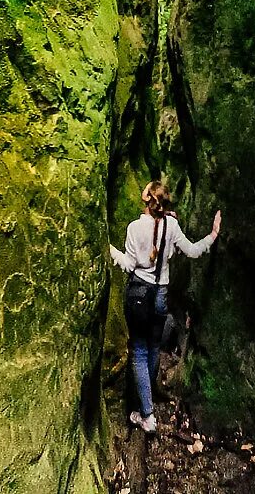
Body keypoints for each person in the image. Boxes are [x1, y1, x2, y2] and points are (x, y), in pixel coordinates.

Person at [108, 180, 221, 433]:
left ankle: (146, 414)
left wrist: (110, 250)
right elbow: (192, 251)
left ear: (147, 197)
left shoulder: (135, 227)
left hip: (138, 294)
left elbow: (129, 264)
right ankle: (144, 401)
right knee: (153, 348)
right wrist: (212, 235)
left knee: (138, 350)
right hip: (160, 295)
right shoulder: (172, 224)